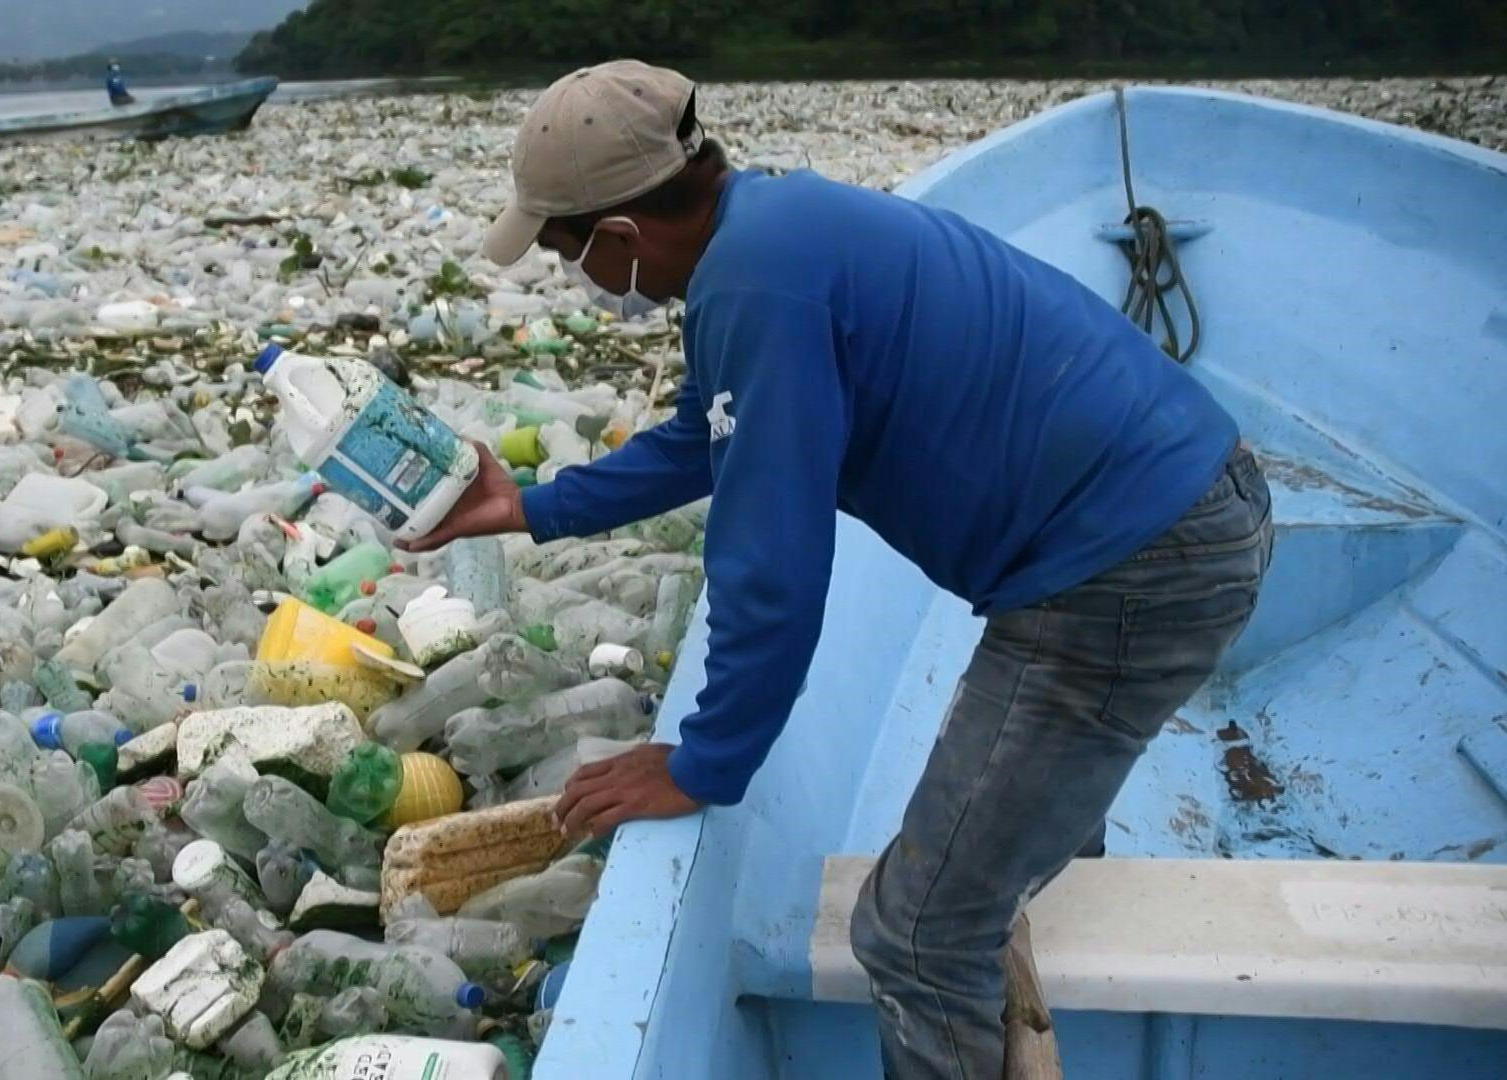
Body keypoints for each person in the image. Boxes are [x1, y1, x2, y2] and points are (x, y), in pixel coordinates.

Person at [406, 60, 1272, 1080]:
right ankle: (1017, 876)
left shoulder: (755, 286)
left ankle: (982, 915)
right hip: (1176, 506)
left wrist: (701, 763)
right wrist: (533, 508)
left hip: (1122, 574)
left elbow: (771, 568)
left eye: (566, 252)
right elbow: (708, 433)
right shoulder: (770, 225)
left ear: (621, 237)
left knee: (912, 938)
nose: (574, 276)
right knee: (988, 850)